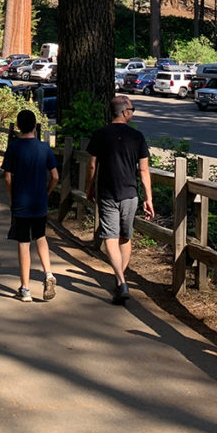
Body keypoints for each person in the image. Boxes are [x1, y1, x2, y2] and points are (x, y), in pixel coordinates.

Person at [85, 95, 155, 305]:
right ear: (125, 112)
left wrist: (89, 188)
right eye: (132, 109)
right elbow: (144, 170)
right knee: (125, 237)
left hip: (107, 192)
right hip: (130, 194)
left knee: (110, 237)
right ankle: (121, 279)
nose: (133, 112)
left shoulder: (100, 134)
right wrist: (148, 198)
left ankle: (120, 280)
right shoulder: (137, 136)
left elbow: (91, 165)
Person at [1, 108, 59, 302]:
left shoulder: (14, 147)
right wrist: (47, 192)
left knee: (24, 243)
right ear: (35, 126)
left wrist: (12, 197)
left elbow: (7, 177)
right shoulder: (44, 148)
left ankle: (25, 289)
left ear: (18, 126)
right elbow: (55, 176)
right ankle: (48, 273)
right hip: (39, 201)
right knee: (41, 237)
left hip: (21, 202)